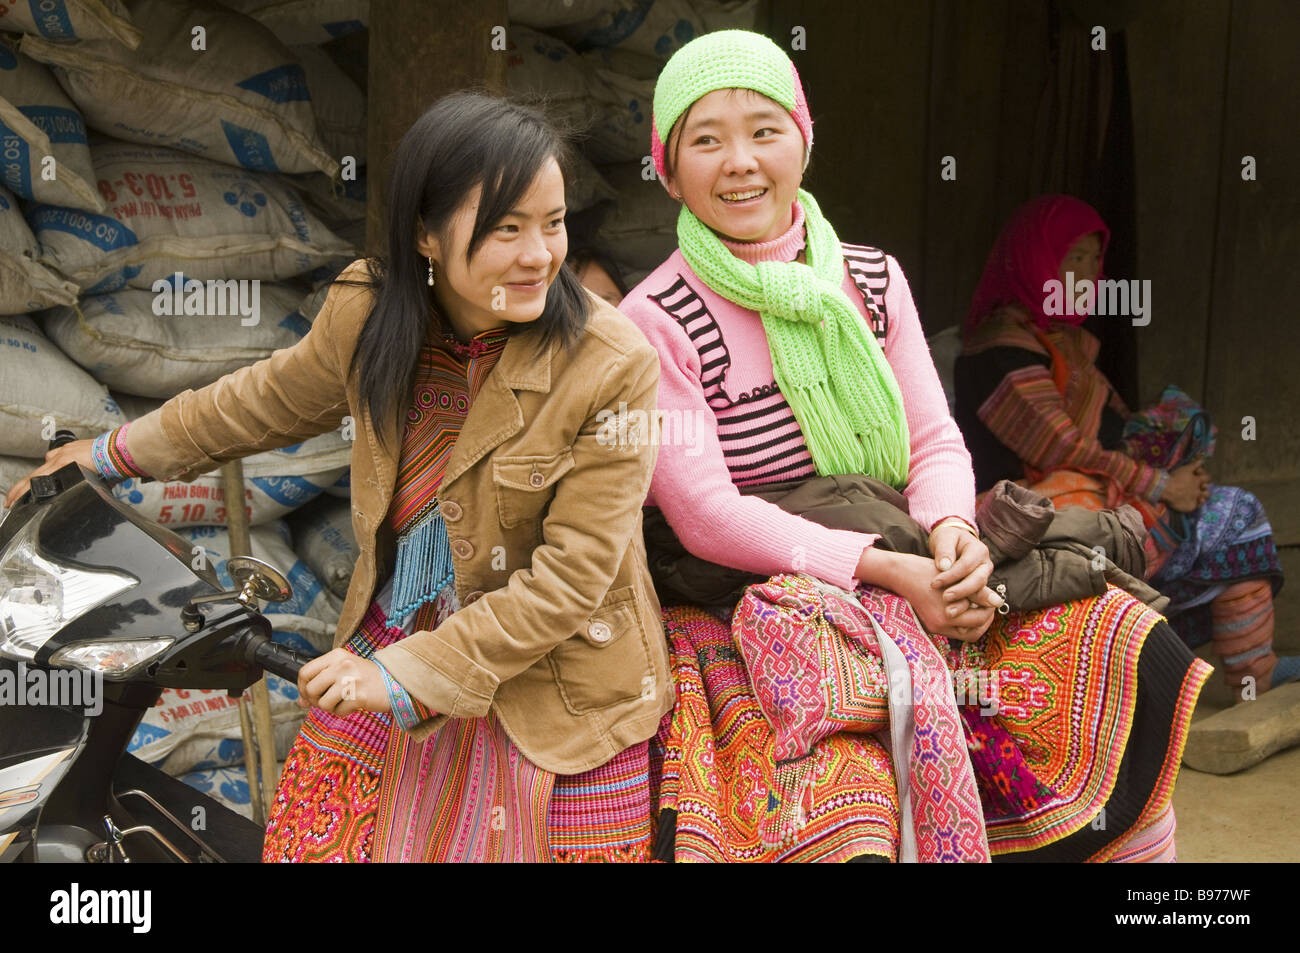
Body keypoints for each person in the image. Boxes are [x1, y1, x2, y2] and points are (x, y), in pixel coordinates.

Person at [5, 92, 672, 862]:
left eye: (552, 223)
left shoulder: (613, 363)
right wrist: (111, 453)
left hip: (562, 683)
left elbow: (571, 579)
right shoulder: (371, 311)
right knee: (318, 840)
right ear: (425, 233)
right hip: (398, 630)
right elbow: (260, 401)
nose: (538, 255)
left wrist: (403, 673)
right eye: (505, 228)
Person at [617, 30, 1211, 862]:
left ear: (804, 139)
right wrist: (889, 568)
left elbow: (935, 441)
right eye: (705, 139)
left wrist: (954, 541)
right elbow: (708, 516)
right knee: (844, 801)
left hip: (916, 555)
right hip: (754, 597)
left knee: (1120, 652)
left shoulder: (871, 277)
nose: (740, 160)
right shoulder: (653, 320)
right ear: (669, 168)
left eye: (764, 129)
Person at [954, 195, 1291, 696]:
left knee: (1231, 514)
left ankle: (1247, 672)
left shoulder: (1062, 341)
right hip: (1037, 523)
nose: (1088, 273)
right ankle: (1189, 675)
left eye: (1094, 258)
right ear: (1035, 261)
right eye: (1073, 258)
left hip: (1095, 501)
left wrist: (1176, 461)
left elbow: (1114, 429)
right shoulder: (1001, 350)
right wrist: (1161, 484)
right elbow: (1060, 447)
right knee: (1236, 517)